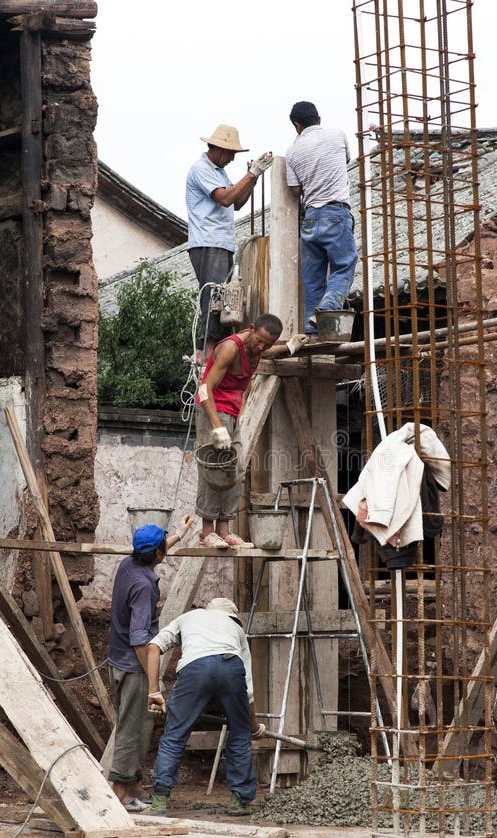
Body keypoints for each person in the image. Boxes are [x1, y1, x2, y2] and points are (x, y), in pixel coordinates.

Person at [143, 597, 266, 817]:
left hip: (195, 668)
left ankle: (159, 801)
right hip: (231, 666)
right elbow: (247, 691)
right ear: (232, 617)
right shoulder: (237, 631)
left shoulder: (189, 617)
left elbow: (153, 647)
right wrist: (254, 728)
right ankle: (239, 801)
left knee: (174, 734)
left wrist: (154, 692)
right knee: (239, 734)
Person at [107, 517, 193, 811]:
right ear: (157, 554)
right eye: (162, 547)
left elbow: (156, 549)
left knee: (138, 727)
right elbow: (139, 638)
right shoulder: (144, 586)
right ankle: (120, 792)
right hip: (134, 665)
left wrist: (180, 534)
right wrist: (154, 685)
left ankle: (132, 787)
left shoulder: (128, 565)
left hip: (118, 660)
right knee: (132, 729)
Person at [186, 123, 274, 364]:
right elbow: (225, 199)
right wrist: (251, 175)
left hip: (221, 241)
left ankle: (212, 346)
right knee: (213, 294)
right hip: (208, 240)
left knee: (222, 296)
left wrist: (252, 179)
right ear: (219, 149)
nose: (233, 158)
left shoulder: (219, 173)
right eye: (231, 153)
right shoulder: (201, 169)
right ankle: (206, 348)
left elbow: (237, 203)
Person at [195, 312, 283, 549]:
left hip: (232, 412)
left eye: (268, 344)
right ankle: (207, 532)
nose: (262, 347)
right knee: (213, 468)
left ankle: (224, 530)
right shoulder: (230, 348)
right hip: (212, 410)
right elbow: (204, 389)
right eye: (259, 340)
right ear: (251, 329)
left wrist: (291, 347)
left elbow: (268, 348)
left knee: (237, 469)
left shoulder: (259, 346)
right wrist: (217, 427)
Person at [285, 101, 358, 335]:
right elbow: (345, 160)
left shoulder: (292, 152)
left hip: (310, 217)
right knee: (344, 265)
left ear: (296, 125)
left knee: (313, 279)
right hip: (335, 213)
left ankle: (311, 329)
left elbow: (295, 190)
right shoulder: (337, 135)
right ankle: (328, 308)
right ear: (319, 119)